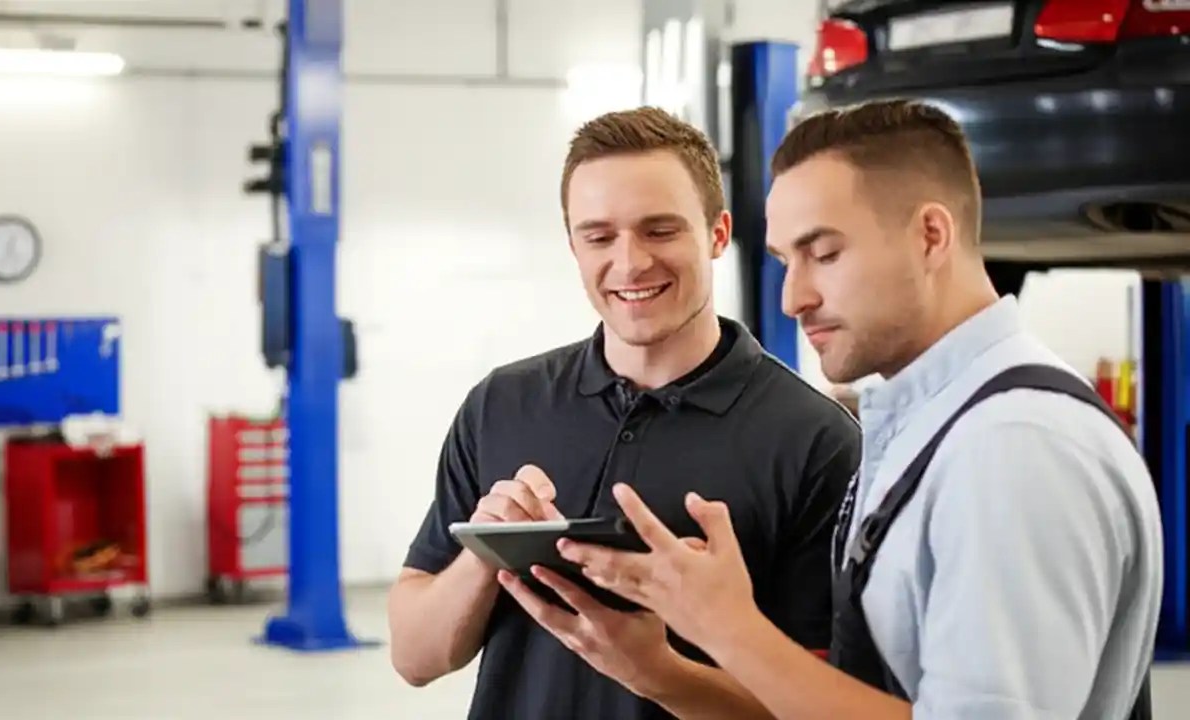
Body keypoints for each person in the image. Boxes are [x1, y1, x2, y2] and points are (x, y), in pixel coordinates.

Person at [561, 99, 1164, 719]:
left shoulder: (1012, 445)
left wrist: (729, 629)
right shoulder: (936, 427)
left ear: (931, 236)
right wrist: (671, 665)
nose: (794, 297)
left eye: (823, 254)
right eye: (785, 261)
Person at [387, 107, 860, 720]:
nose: (631, 263)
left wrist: (659, 674)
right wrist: (484, 553)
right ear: (573, 245)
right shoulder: (501, 405)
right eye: (599, 236)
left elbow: (823, 708)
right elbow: (414, 657)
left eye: (660, 230)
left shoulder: (814, 441)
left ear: (718, 234)